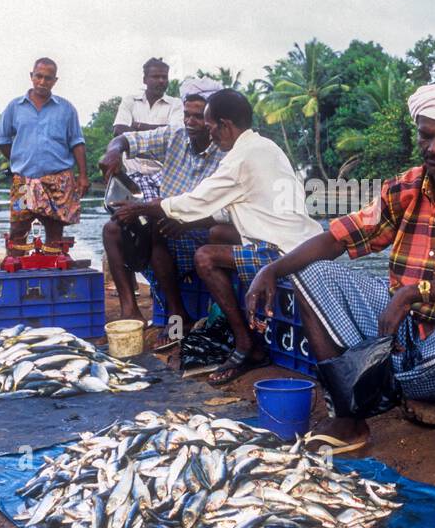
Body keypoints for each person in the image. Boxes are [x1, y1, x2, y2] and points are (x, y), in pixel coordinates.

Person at [245, 80, 435, 458]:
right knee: (310, 273)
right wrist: (272, 270)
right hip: (402, 339)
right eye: (426, 136)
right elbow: (337, 238)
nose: (434, 148)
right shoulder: (404, 187)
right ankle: (350, 414)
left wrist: (416, 292)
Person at [114, 89, 321, 385]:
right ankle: (228, 314)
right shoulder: (266, 146)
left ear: (225, 125)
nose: (210, 135)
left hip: (280, 251)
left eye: (211, 127)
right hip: (304, 241)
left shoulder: (239, 159)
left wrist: (142, 208)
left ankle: (246, 344)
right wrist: (182, 220)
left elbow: (196, 201)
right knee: (217, 232)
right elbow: (232, 207)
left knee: (205, 256)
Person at [99, 77, 234, 344]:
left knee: (162, 231)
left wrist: (189, 222)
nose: (190, 122)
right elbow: (126, 139)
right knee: (113, 228)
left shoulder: (228, 152)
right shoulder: (174, 136)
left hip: (205, 229)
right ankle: (132, 311)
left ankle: (178, 314)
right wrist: (113, 152)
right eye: (187, 114)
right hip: (168, 223)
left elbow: (232, 211)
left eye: (199, 116)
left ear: (215, 120)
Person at [0, 58, 89, 253]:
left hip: (57, 180)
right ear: (31, 76)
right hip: (23, 181)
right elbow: (2, 139)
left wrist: (83, 176)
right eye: (38, 76)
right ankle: (16, 277)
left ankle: (53, 278)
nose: (42, 82)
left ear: (55, 80)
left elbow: (77, 142)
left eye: (48, 78)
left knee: (55, 234)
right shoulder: (15, 107)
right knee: (18, 232)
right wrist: (19, 159)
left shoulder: (66, 108)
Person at [112, 57, 182, 198]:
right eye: (156, 77)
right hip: (131, 177)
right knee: (126, 217)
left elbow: (175, 135)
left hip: (164, 177)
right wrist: (161, 130)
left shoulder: (176, 104)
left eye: (164, 77)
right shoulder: (130, 101)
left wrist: (137, 126)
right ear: (145, 79)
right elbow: (118, 130)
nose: (161, 80)